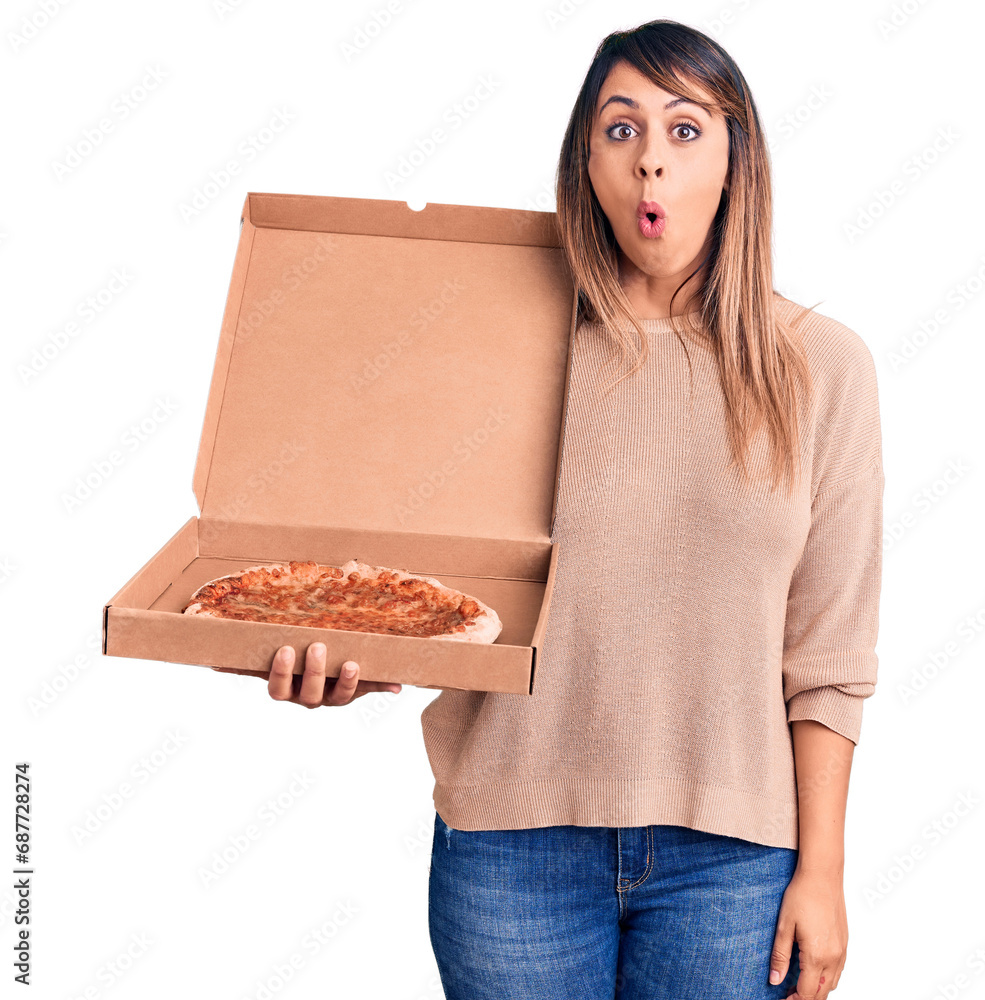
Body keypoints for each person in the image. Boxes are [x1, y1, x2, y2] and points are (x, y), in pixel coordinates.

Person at [223, 18, 884, 1000]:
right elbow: (434, 580)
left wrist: (822, 872)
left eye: (685, 129)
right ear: (585, 163)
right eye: (620, 129)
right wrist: (352, 657)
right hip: (511, 849)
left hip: (735, 861)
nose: (650, 159)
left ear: (736, 163)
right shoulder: (493, 347)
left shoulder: (822, 368)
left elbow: (827, 658)